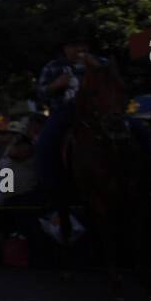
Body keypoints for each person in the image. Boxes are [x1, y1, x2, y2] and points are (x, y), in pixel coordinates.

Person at [35, 36, 103, 196]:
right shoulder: (53, 67)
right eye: (74, 45)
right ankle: (51, 189)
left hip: (100, 113)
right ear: (65, 48)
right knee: (45, 142)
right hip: (65, 112)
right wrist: (56, 85)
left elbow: (116, 85)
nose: (80, 49)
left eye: (83, 44)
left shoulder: (101, 62)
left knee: (136, 128)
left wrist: (98, 69)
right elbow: (41, 94)